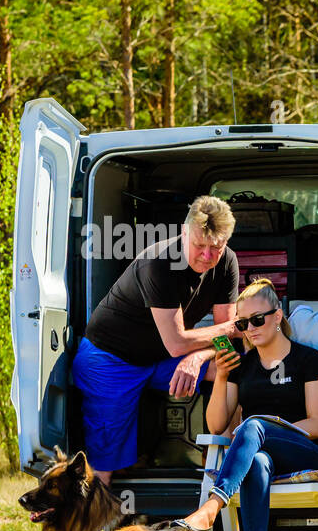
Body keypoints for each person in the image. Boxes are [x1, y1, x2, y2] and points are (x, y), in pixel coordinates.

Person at [72, 195, 241, 486]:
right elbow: (193, 338)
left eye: (216, 247)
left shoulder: (227, 262)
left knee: (229, 367)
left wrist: (199, 357)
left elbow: (226, 339)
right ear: (184, 233)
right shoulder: (159, 262)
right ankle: (95, 527)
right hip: (110, 359)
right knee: (104, 464)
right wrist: (223, 333)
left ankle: (226, 466)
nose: (207, 255)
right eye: (200, 245)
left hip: (161, 357)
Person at [177, 278, 318, 531]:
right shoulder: (243, 366)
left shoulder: (308, 360)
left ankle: (212, 505)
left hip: (302, 451)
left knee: (254, 424)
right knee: (257, 462)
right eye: (243, 323)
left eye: (258, 319)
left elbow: (317, 424)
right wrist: (221, 376)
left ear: (277, 317)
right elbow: (216, 425)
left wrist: (264, 427)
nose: (251, 328)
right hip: (261, 453)